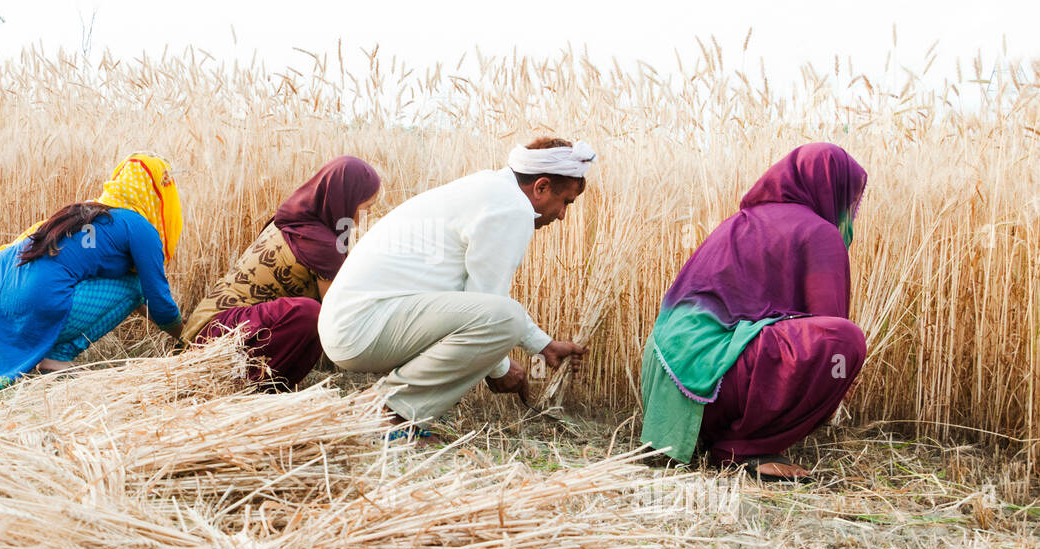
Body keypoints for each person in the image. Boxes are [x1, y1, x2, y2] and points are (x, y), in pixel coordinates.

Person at [317, 137, 592, 431]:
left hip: (353, 324)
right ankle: (390, 414)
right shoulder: (512, 208)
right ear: (541, 187)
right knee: (505, 316)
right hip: (363, 327)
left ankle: (390, 407)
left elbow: (482, 302)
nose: (563, 215)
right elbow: (491, 306)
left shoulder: (490, 189)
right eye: (566, 202)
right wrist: (498, 367)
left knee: (503, 314)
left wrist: (543, 345)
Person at [640, 142, 869, 481]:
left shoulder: (737, 223)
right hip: (718, 382)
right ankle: (745, 448)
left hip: (663, 379)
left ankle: (717, 436)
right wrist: (834, 381)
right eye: (851, 199)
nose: (851, 211)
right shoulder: (820, 233)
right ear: (832, 189)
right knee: (844, 342)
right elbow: (830, 322)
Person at [0, 152, 183, 387]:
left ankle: (29, 356)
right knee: (136, 284)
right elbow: (158, 300)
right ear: (158, 193)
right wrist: (187, 338)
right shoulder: (139, 226)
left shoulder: (87, 211)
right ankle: (58, 356)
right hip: (33, 296)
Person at [182, 156, 381, 389]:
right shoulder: (322, 244)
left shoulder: (291, 219)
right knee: (314, 315)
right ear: (344, 200)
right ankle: (249, 388)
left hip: (208, 328)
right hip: (219, 338)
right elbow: (338, 312)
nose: (366, 216)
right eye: (366, 207)